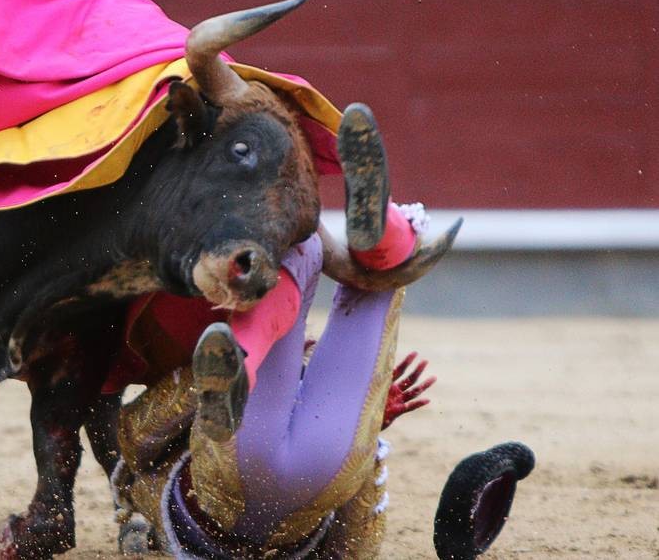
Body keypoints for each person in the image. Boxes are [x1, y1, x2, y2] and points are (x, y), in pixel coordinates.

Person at [110, 104, 444, 558]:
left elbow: (132, 435)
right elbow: (132, 436)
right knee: (306, 251)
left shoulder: (146, 501)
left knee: (351, 275)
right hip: (285, 471)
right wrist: (368, 428)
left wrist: (366, 436)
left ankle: (245, 365)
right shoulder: (145, 499)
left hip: (299, 470)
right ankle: (376, 237)